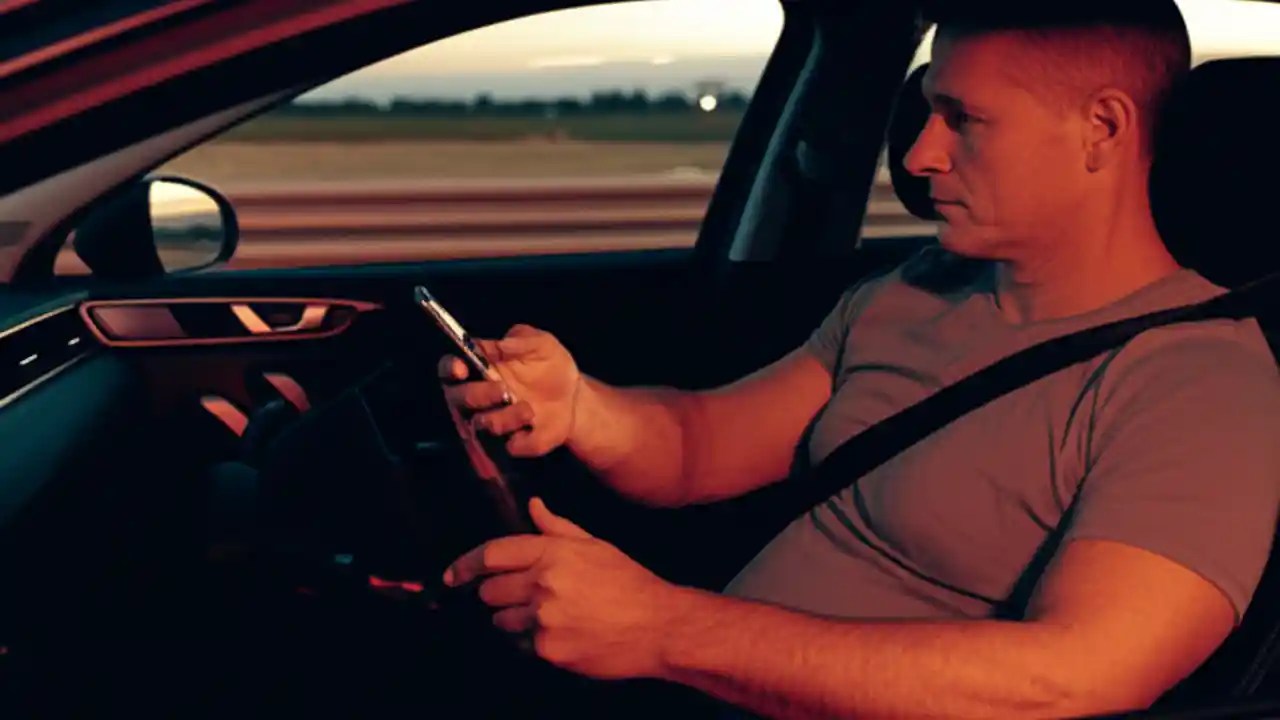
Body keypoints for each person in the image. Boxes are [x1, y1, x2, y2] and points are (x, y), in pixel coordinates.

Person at [438, 2, 1280, 717]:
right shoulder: (916, 288)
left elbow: (1073, 677)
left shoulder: (1200, 381)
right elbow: (697, 448)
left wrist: (664, 631)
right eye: (925, 110)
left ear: (1101, 129)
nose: (918, 157)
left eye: (966, 120)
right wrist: (580, 406)